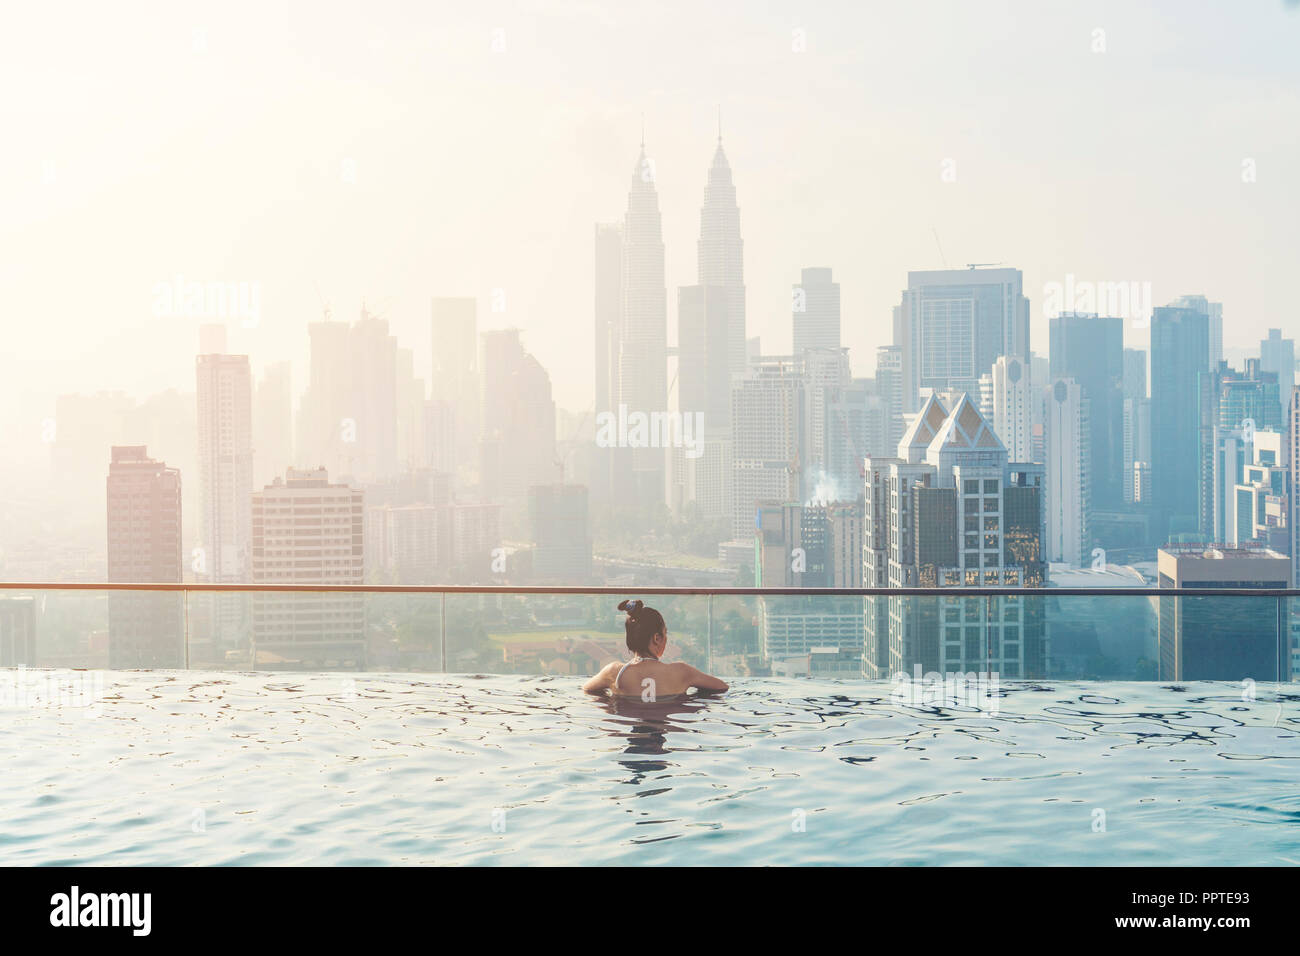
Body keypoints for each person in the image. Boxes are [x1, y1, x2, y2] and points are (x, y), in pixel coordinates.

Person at [583, 599, 728, 698]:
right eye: (665, 633)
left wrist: (610, 705)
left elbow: (587, 689)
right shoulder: (682, 671)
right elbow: (721, 687)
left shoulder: (614, 672)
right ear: (657, 638)